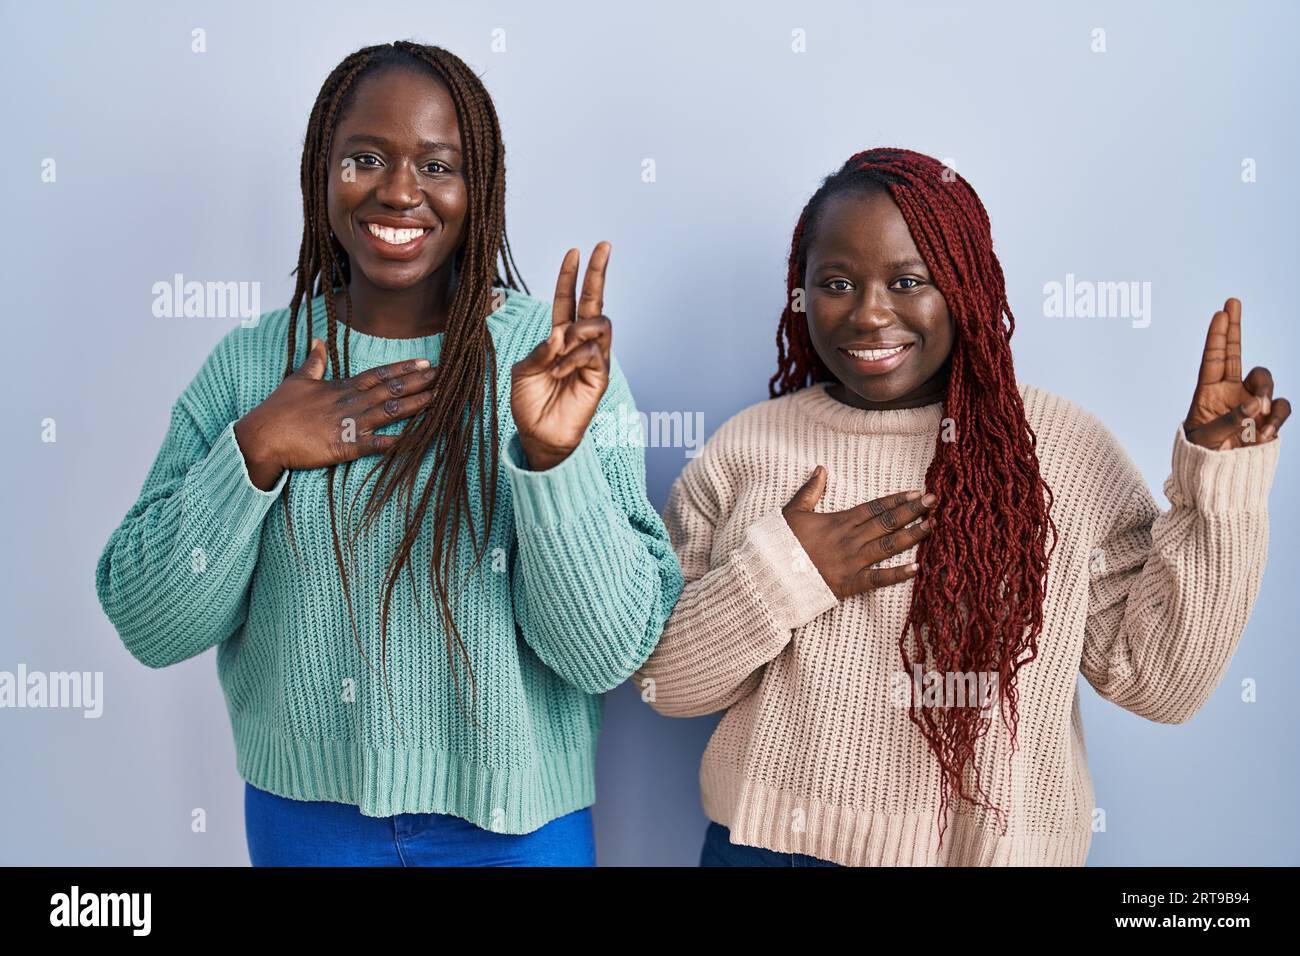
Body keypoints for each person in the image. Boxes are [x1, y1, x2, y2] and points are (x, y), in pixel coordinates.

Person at [95, 40, 683, 867]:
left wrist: (553, 461)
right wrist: (256, 450)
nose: (399, 190)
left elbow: (603, 652)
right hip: (307, 824)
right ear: (319, 173)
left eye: (437, 165)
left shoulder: (551, 364)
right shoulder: (253, 366)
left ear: (479, 188)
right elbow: (150, 622)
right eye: (365, 158)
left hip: (517, 828)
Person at [634, 147, 1286, 867]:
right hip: (770, 853)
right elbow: (669, 682)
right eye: (838, 282)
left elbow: (1160, 683)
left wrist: (1218, 488)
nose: (870, 312)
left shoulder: (1061, 450)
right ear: (802, 293)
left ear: (965, 290)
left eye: (908, 281)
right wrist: (790, 570)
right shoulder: (747, 447)